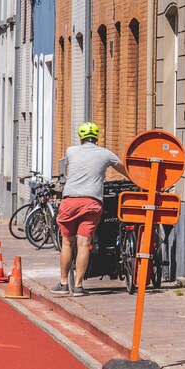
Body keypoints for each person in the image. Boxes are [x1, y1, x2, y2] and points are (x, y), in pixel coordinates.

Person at [56, 121, 129, 294]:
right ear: (97, 137)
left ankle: (63, 284)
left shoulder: (71, 151)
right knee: (84, 244)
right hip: (91, 202)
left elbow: (66, 167)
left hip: (70, 200)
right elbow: (125, 170)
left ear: (81, 137)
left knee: (67, 243)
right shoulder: (106, 154)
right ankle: (79, 286)